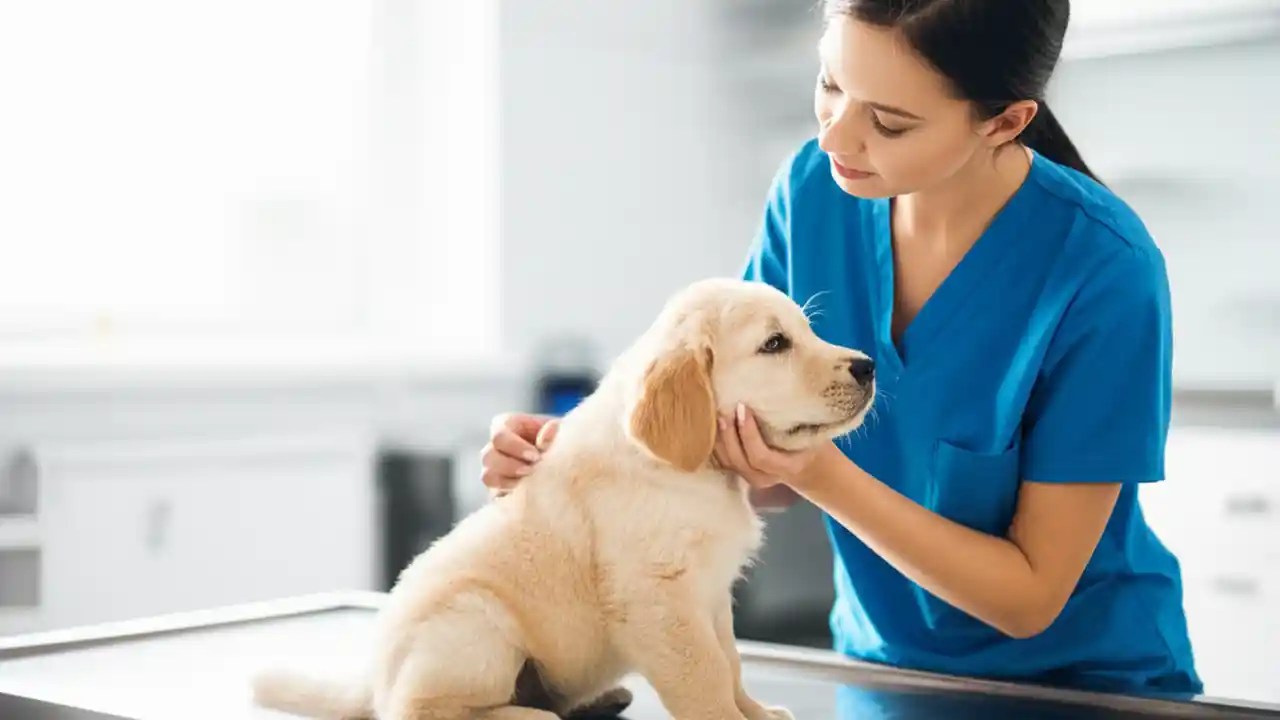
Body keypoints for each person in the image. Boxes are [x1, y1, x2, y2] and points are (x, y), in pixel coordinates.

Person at [481, 0, 1202, 696]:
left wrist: (820, 474)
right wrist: (587, 458)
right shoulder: (810, 191)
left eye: (888, 122)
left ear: (1005, 121)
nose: (836, 137)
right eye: (831, 84)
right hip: (884, 672)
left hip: (1082, 688)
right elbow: (752, 464)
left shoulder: (1103, 269)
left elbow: (1030, 598)